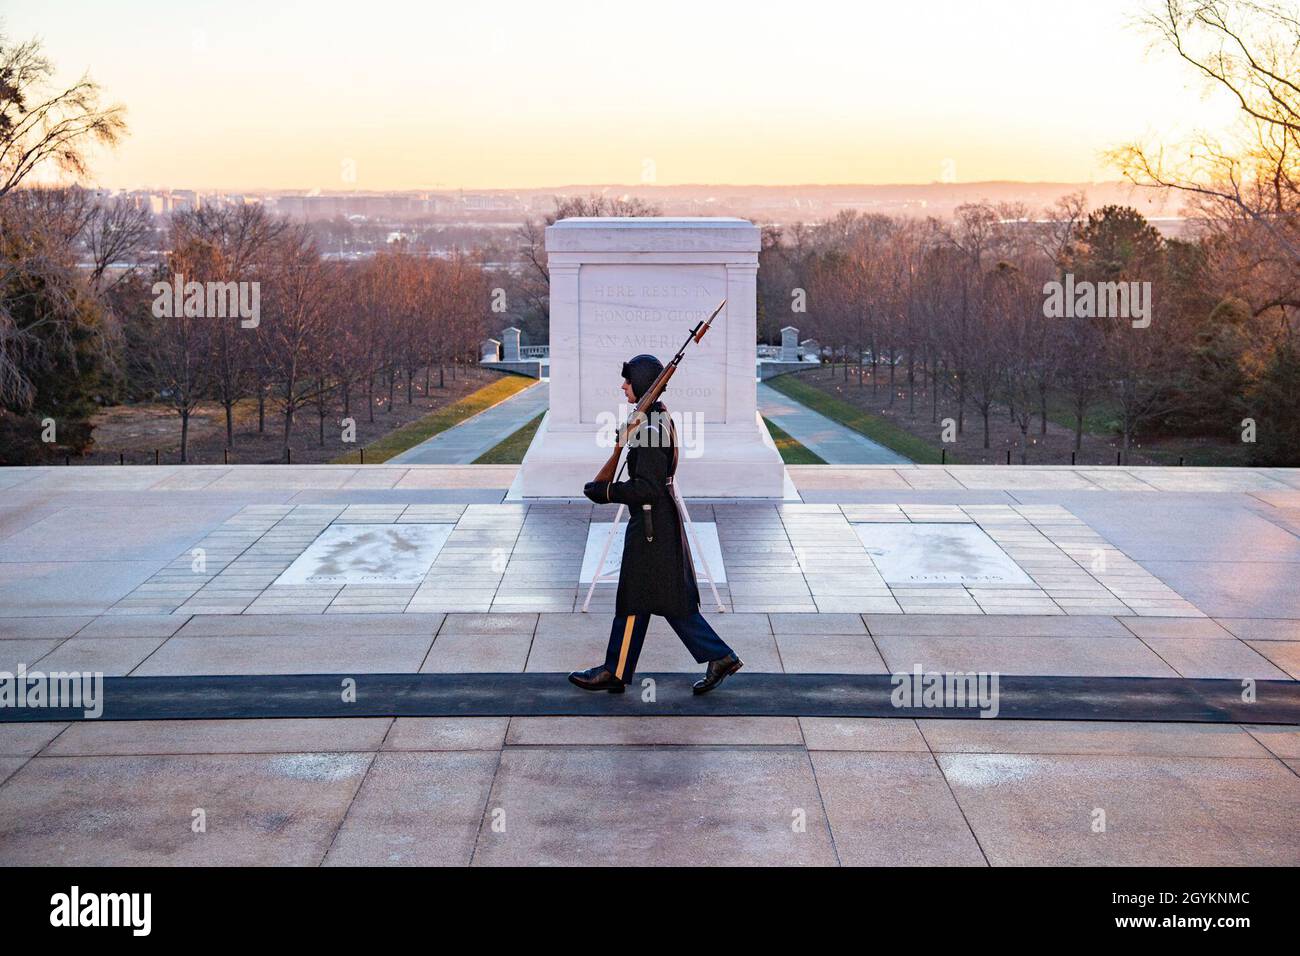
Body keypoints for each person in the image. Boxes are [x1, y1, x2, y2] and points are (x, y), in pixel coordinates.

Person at [569, 353, 743, 695]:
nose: (623, 386)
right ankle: (620, 669)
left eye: (628, 380)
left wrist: (606, 491)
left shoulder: (650, 427)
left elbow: (646, 487)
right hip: (656, 522)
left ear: (644, 384)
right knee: (652, 600)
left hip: (651, 526)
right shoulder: (654, 418)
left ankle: (619, 670)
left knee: (648, 599)